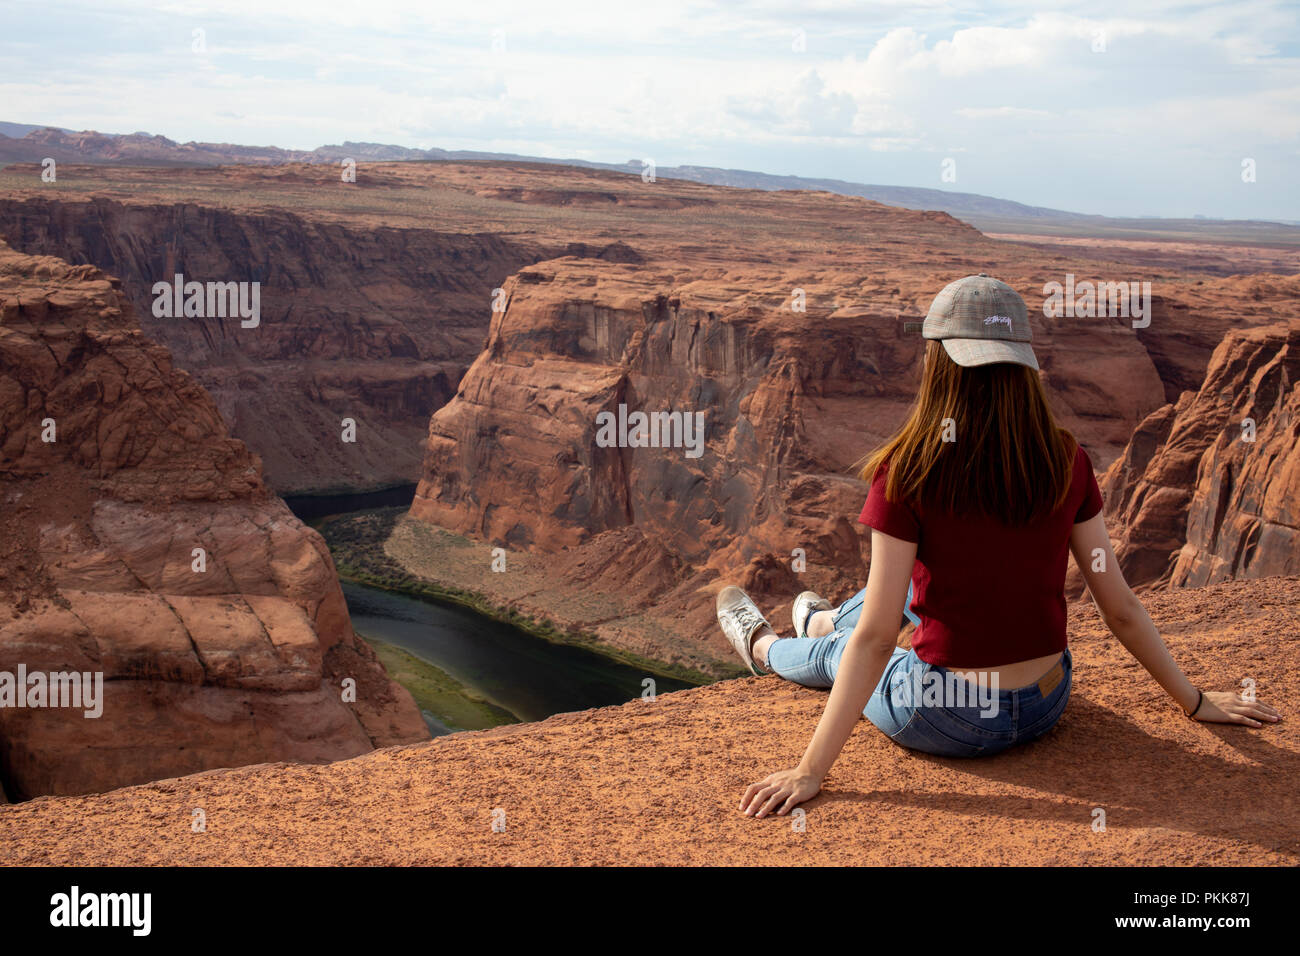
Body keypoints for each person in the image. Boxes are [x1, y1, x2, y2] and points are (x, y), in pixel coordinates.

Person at [715, 273, 1282, 819]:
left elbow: (878, 638)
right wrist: (1195, 700)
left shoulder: (908, 470)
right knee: (900, 596)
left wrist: (811, 771)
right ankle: (820, 619)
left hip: (947, 716)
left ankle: (765, 647)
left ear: (939, 362)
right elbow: (1120, 606)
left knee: (851, 647)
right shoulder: (1068, 458)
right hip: (1044, 701)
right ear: (1023, 365)